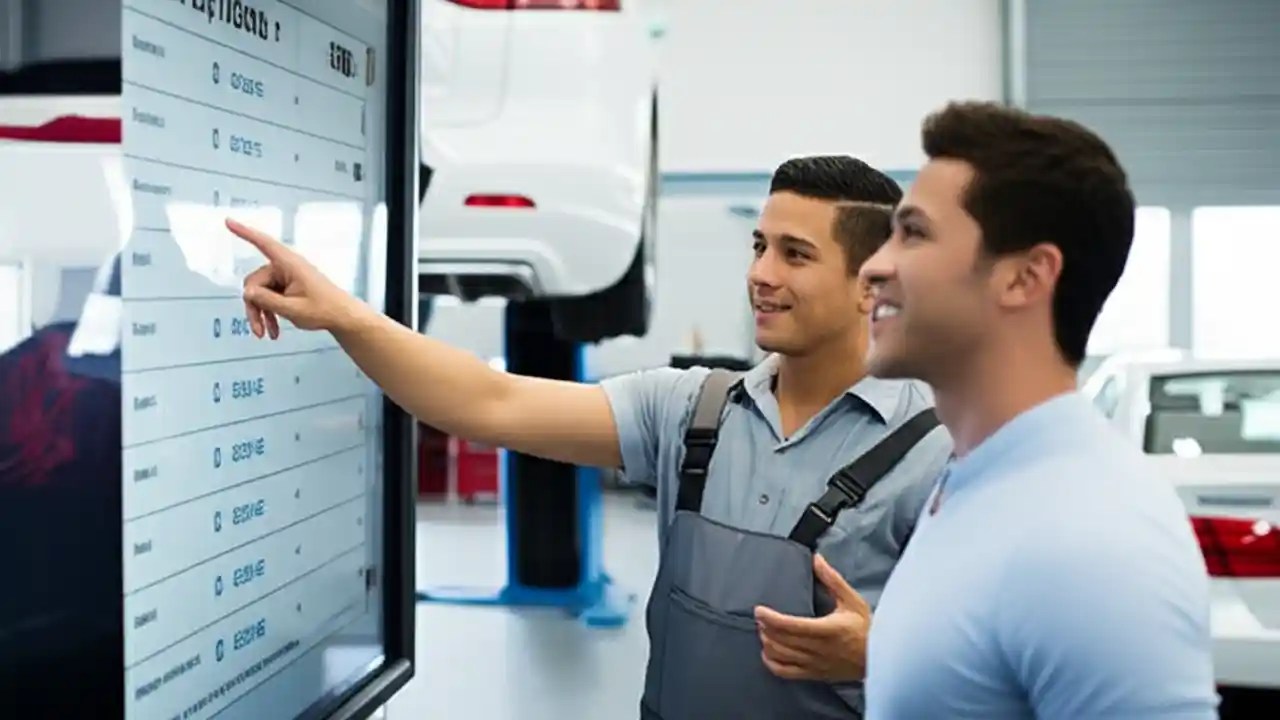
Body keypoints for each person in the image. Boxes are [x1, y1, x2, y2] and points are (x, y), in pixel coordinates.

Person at [228, 155, 953, 719]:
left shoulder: (939, 451)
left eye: (795, 254)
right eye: (759, 245)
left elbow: (1002, 667)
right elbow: (487, 402)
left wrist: (885, 654)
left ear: (870, 284)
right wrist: (344, 314)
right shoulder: (692, 410)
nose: (760, 274)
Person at [856, 101, 1218, 719]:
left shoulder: (1093, 542)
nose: (872, 266)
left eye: (913, 233)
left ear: (1025, 277)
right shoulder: (979, 479)